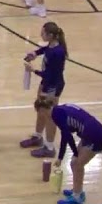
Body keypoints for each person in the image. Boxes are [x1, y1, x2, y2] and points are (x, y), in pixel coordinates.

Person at [41, 99, 102, 204]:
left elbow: (67, 138)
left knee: (78, 164)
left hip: (94, 135)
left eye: (40, 112)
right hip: (89, 131)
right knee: (74, 163)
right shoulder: (61, 108)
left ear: (44, 110)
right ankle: (78, 191)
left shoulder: (56, 115)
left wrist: (61, 157)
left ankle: (77, 198)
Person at [22, 21, 66, 157]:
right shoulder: (52, 46)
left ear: (51, 35)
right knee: (40, 110)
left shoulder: (58, 53)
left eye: (43, 33)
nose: (41, 34)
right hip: (46, 83)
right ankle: (38, 136)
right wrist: (35, 53)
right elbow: (45, 50)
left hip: (53, 86)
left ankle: (50, 147)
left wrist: (33, 70)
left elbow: (51, 74)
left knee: (50, 116)